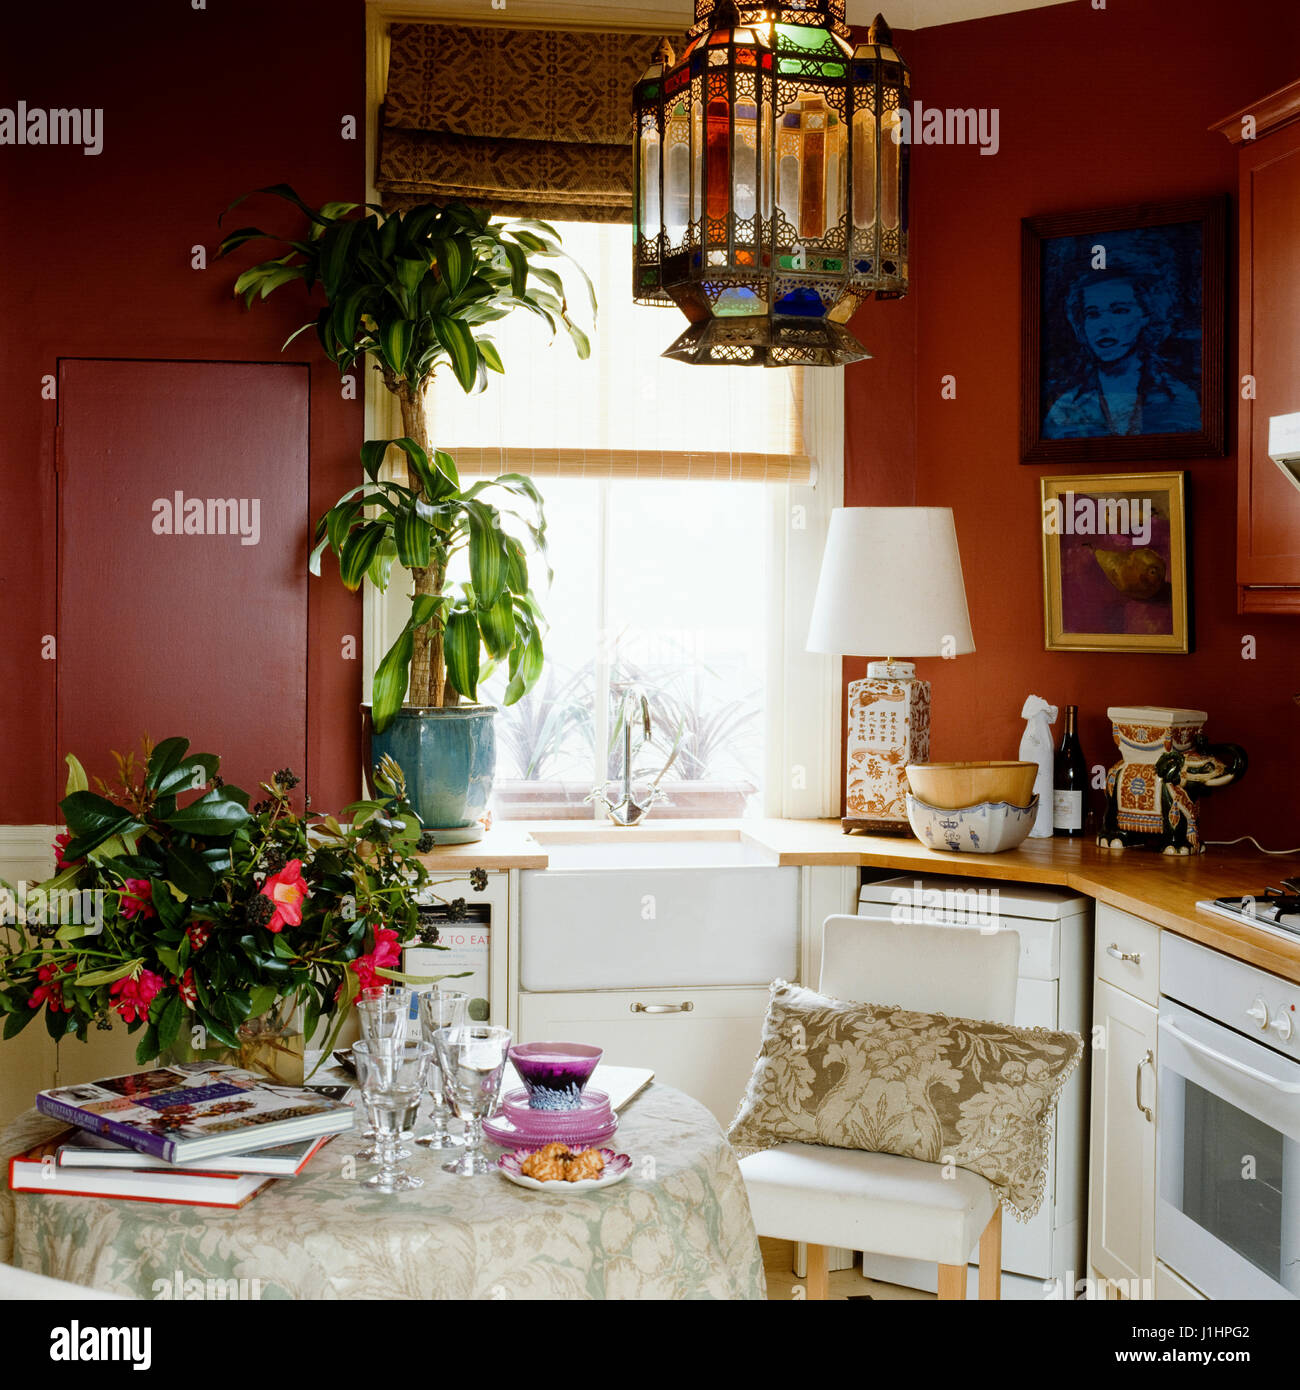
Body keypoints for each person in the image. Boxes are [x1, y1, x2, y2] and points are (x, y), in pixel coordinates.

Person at [1042, 253, 1201, 440]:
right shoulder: (1066, 406)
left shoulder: (1180, 397)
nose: (1104, 326)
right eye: (1092, 314)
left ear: (1145, 315)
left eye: (1119, 311)